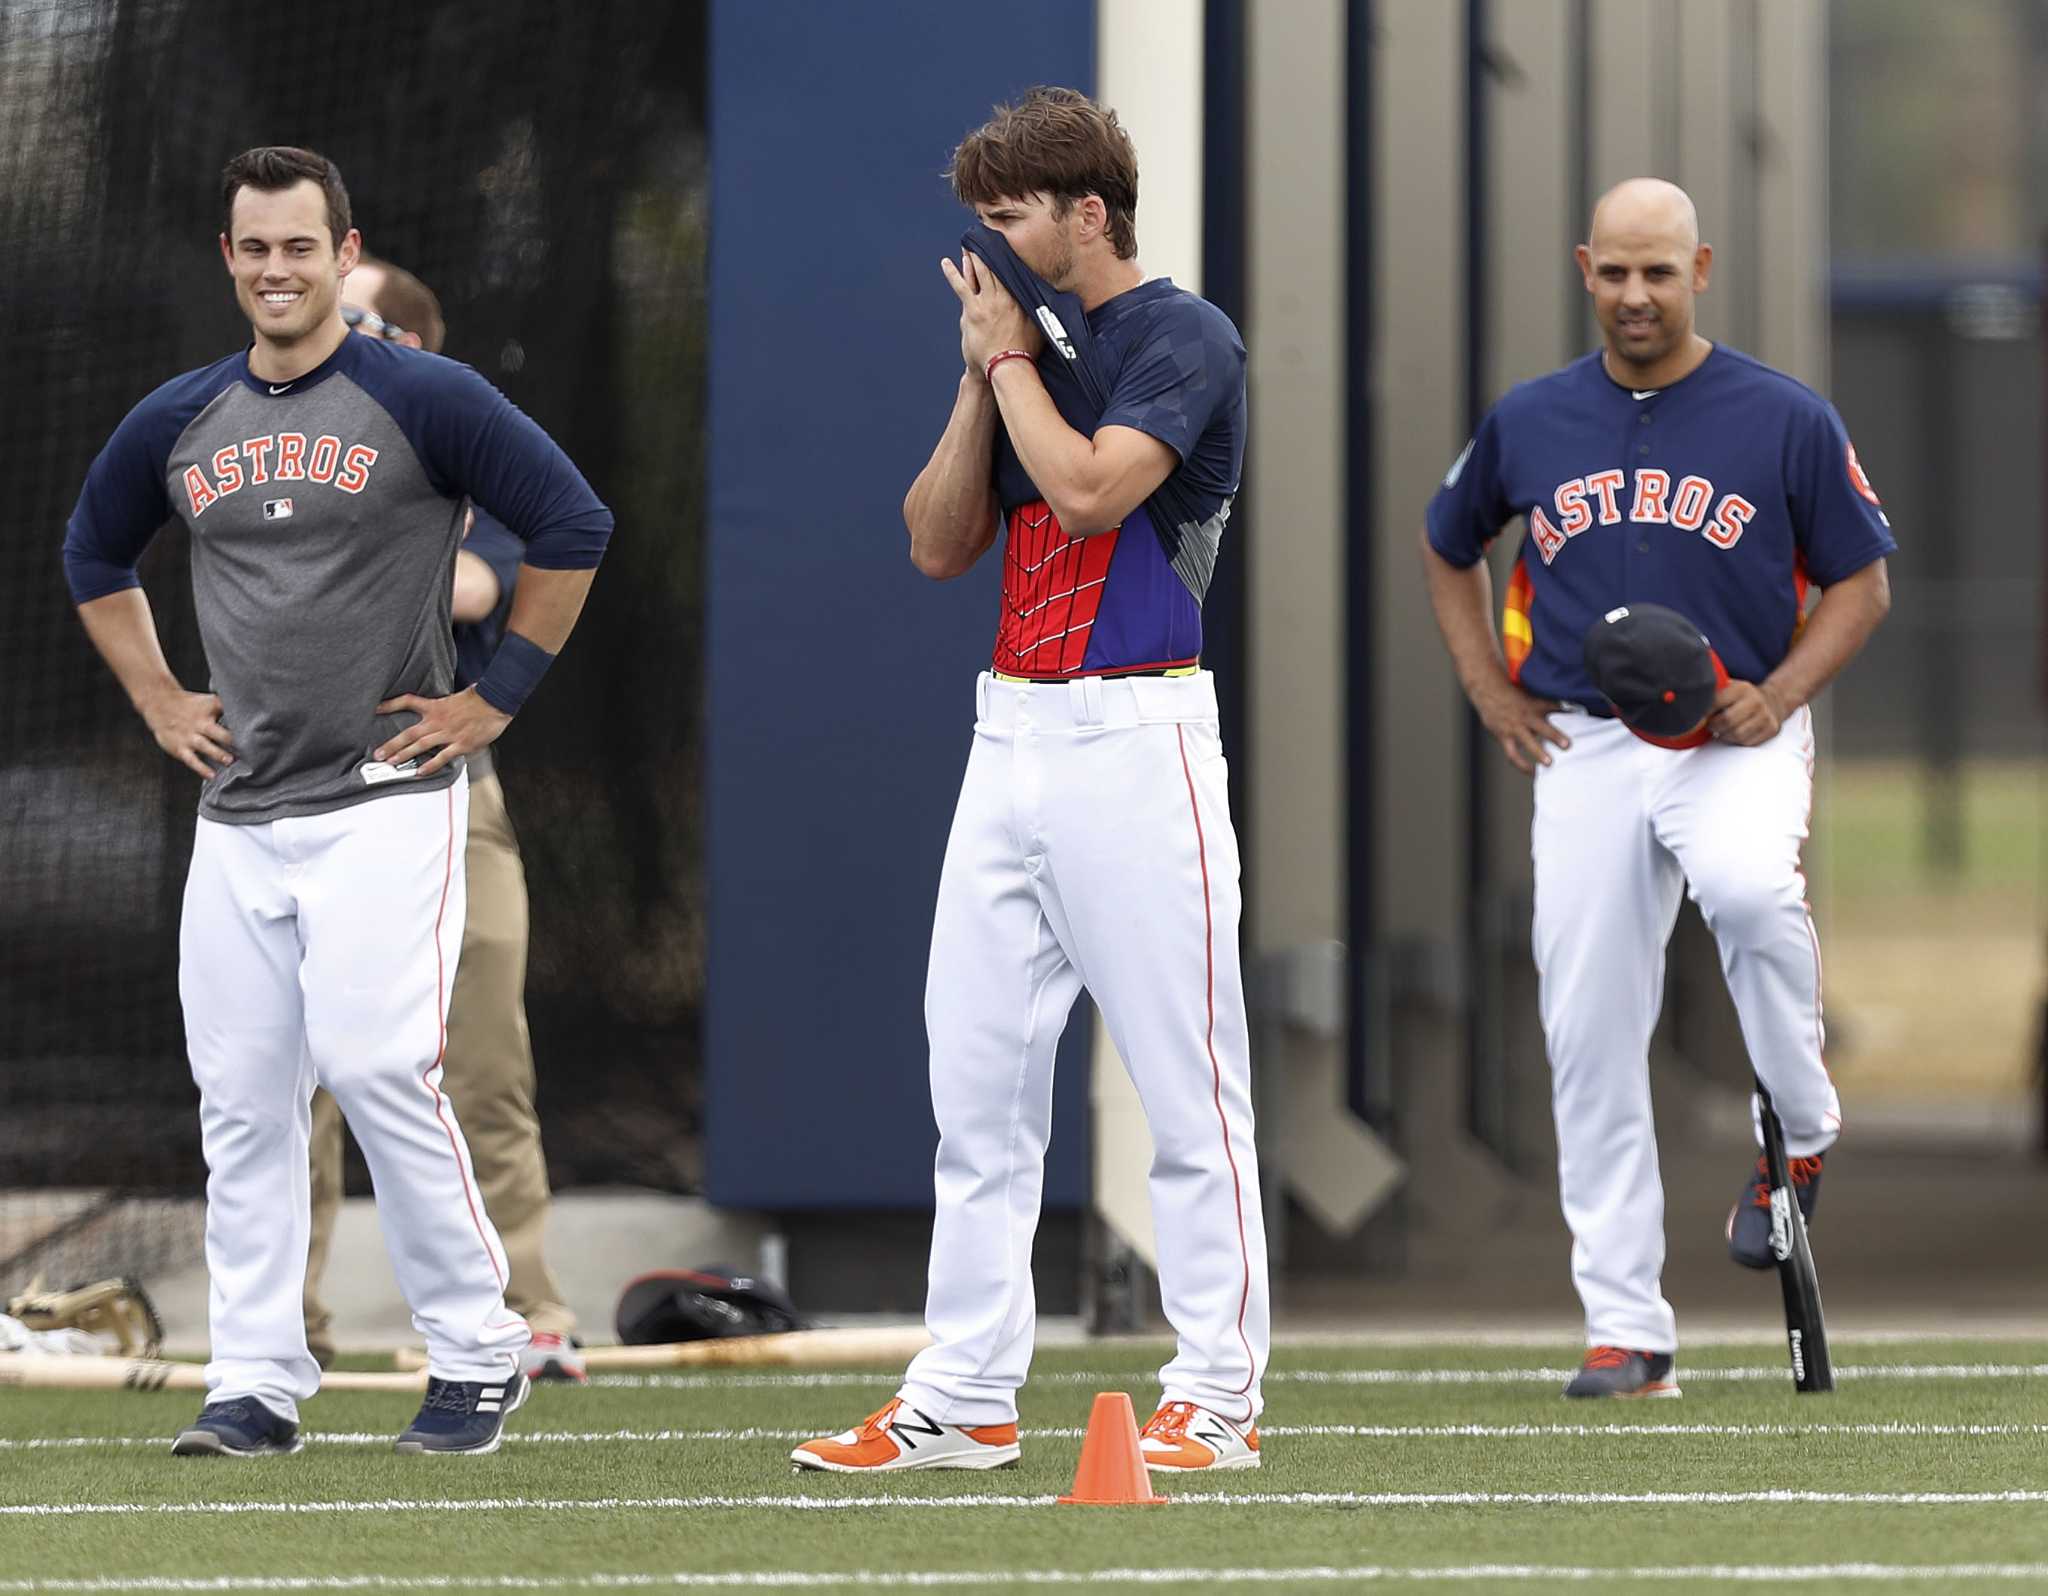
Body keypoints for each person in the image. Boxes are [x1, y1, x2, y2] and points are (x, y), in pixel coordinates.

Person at [61, 146, 613, 1454]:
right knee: (244, 1099)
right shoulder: (181, 417)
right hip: (240, 819)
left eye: (299, 247)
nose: (275, 270)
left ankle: (481, 1353)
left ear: (342, 253)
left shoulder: (423, 395)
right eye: (253, 248)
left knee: (379, 1067)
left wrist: (502, 696)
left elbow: (573, 522)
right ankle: (254, 1382)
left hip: (386, 801)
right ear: (228, 260)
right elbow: (94, 546)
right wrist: (155, 698)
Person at [793, 87, 1269, 1475]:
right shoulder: (1018, 351)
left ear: (1088, 214)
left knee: (1188, 1088)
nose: (990, 250)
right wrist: (974, 379)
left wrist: (1011, 367)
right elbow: (940, 544)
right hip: (1010, 736)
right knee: (980, 1084)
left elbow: (1092, 496)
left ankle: (1219, 1398)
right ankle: (965, 1397)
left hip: (1140, 738)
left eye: (1009, 222)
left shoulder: (1184, 336)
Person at [1420, 178, 1894, 1398]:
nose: (1636, 296)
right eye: (1616, 273)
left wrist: (1779, 695)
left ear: (1699, 270)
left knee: (1743, 891)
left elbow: (1860, 586)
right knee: (1584, 1029)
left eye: (1659, 273)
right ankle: (1626, 1333)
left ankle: (1799, 1132)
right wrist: (1489, 690)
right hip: (1581, 742)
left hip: (1732, 728)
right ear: (1585, 269)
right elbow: (1446, 542)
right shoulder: (1529, 421)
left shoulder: (1781, 418)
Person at [299, 253, 586, 1386]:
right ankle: (284, 1332)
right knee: (293, 1080)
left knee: (483, 1060)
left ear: (414, 344)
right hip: (302, 793)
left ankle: (527, 1314)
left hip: (447, 794)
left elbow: (475, 587)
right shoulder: (267, 448)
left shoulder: (468, 461)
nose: (340, 336)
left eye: (363, 321)